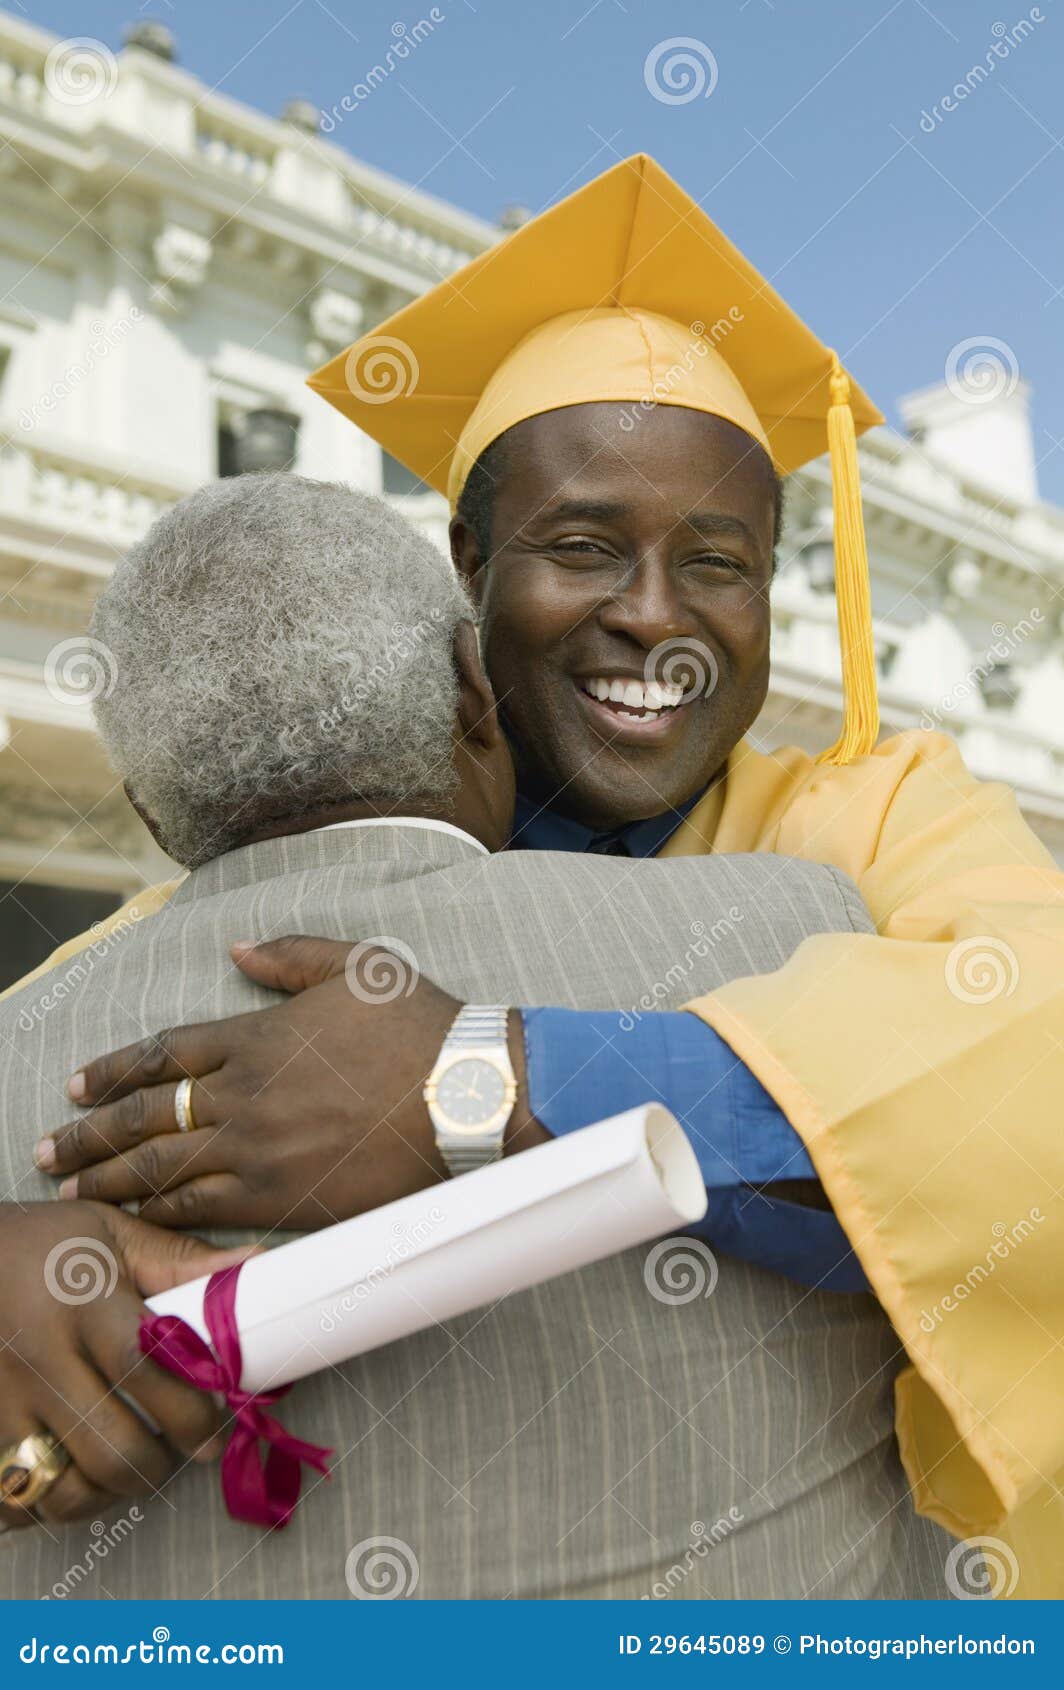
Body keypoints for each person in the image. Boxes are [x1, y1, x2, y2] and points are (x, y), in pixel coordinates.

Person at [11, 155, 1063, 1588]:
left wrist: (489, 1081)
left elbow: (1031, 1060)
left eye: (719, 562)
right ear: (468, 573)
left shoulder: (866, 825)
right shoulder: (261, 909)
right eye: (581, 547)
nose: (653, 615)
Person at [0, 472, 949, 1598]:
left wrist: (475, 1078)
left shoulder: (22, 1054)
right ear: (474, 691)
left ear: (149, 812)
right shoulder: (791, 932)